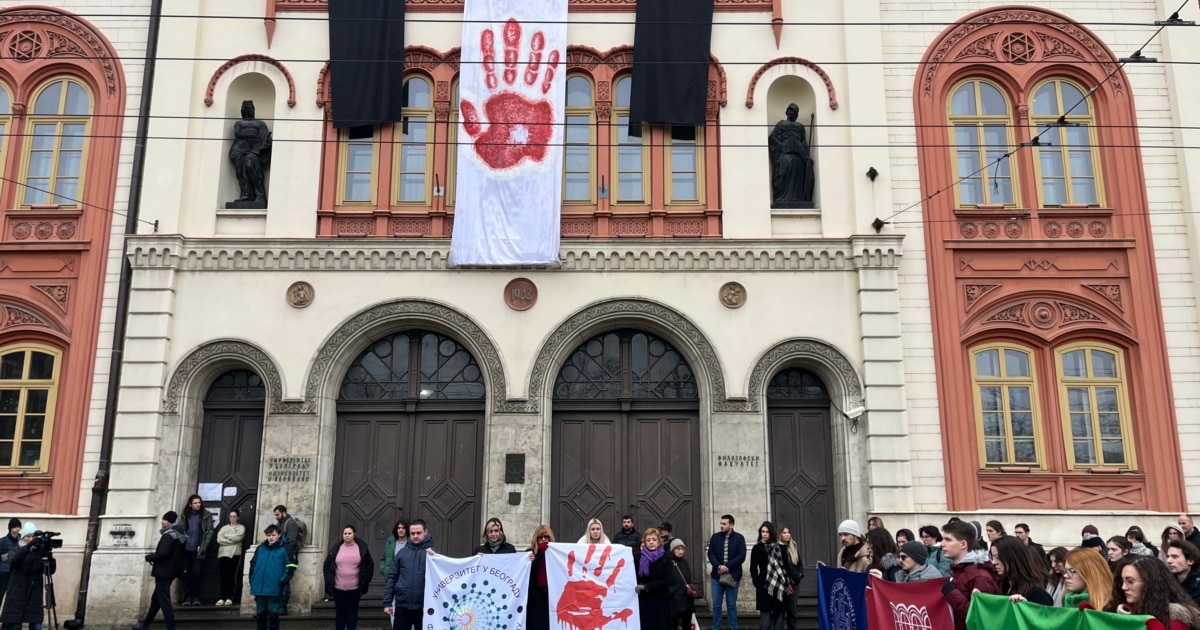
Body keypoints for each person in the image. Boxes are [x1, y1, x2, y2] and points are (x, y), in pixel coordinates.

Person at [1106, 556, 1200, 629]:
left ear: (1150, 584)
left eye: (1130, 582)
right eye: (1122, 581)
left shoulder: (1175, 624)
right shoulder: (1121, 612)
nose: (1123, 587)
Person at [940, 520, 999, 630]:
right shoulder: (959, 571)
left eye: (948, 540)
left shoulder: (980, 577)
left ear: (963, 544)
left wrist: (952, 593)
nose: (942, 544)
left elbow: (979, 617)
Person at [134, 512, 187, 630]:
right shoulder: (179, 535)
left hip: (163, 571)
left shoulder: (168, 535)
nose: (162, 521)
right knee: (156, 600)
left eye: (163, 519)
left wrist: (150, 557)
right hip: (171, 571)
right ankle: (145, 625)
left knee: (164, 601)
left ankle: (171, 627)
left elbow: (162, 553)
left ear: (168, 521)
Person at [383, 519, 435, 630]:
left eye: (419, 533)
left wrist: (479, 560)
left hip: (425, 607)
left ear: (425, 532)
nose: (415, 536)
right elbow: (392, 577)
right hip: (402, 606)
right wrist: (388, 602)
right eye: (412, 533)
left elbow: (447, 570)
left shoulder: (433, 554)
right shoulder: (402, 553)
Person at [323, 525, 373, 630]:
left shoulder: (361, 548)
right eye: (345, 534)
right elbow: (327, 565)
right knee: (340, 614)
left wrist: (365, 580)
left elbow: (369, 565)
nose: (347, 536)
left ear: (354, 534)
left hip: (355, 589)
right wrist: (329, 580)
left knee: (352, 613)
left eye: (349, 533)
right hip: (338, 588)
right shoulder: (336, 547)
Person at [767, 103, 815, 206]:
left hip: (798, 156)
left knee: (797, 177)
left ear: (796, 114)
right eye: (789, 110)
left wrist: (806, 156)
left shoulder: (800, 127)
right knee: (783, 174)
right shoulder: (781, 124)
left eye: (792, 111)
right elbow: (772, 137)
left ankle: (797, 199)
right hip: (785, 155)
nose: (790, 112)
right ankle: (782, 198)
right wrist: (782, 145)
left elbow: (803, 142)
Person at [249, 525, 296, 630]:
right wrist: (252, 580)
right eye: (269, 535)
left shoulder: (285, 548)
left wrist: (283, 580)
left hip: (275, 588)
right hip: (259, 588)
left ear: (279, 535)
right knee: (261, 617)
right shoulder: (260, 548)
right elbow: (253, 565)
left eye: (273, 535)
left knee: (273, 617)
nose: (271, 537)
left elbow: (291, 565)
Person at [229, 100, 272, 204]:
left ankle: (260, 196)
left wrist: (249, 134)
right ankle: (245, 195)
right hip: (239, 151)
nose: (250, 111)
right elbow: (238, 134)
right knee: (241, 173)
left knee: (251, 166)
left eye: (252, 109)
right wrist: (253, 134)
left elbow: (264, 137)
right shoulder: (239, 123)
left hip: (254, 151)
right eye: (248, 109)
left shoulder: (260, 123)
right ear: (243, 111)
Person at [707, 514, 746, 630]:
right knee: (716, 605)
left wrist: (727, 566)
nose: (721, 526)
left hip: (733, 576)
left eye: (724, 524)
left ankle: (733, 628)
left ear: (731, 525)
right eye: (721, 523)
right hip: (717, 577)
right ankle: (716, 628)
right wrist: (718, 566)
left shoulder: (739, 538)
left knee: (731, 606)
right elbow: (711, 553)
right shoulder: (715, 537)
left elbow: (741, 556)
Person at [750, 522, 790, 630]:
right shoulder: (757, 548)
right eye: (763, 532)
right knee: (766, 623)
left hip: (780, 586)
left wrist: (788, 582)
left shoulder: (781, 548)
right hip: (764, 586)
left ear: (771, 533)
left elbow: (786, 567)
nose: (765, 534)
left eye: (767, 532)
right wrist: (757, 582)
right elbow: (753, 568)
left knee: (779, 622)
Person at [992, 536, 1053, 605]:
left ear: (1012, 557)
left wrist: (1025, 607)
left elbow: (1047, 615)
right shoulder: (1004, 586)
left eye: (998, 557)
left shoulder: (1037, 594)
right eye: (992, 557)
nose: (993, 562)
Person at [180, 495, 214, 606]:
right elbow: (181, 529)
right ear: (190, 504)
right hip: (185, 548)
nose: (198, 504)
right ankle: (187, 597)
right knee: (185, 573)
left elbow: (209, 531)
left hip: (198, 549)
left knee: (197, 573)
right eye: (195, 503)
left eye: (199, 502)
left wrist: (205, 544)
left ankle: (195, 597)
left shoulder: (206, 515)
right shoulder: (185, 515)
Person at [636, 528, 673, 630]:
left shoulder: (665, 558)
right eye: (648, 540)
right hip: (644, 601)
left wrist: (646, 586)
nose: (651, 542)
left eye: (654, 539)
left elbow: (667, 580)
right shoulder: (639, 557)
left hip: (661, 601)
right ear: (644, 542)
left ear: (659, 541)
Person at [1061, 546, 1113, 611]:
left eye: (1072, 571)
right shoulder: (1067, 599)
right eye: (1065, 571)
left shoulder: (1111, 608)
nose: (1065, 575)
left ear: (1091, 573)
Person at [526, 525, 555, 630]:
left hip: (550, 595)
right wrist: (538, 556)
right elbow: (528, 575)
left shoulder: (555, 553)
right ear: (536, 539)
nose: (543, 540)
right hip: (534, 596)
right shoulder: (530, 553)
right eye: (540, 537)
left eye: (546, 537)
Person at [216, 509, 246, 606]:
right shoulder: (223, 528)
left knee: (232, 575)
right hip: (223, 554)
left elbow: (238, 538)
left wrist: (227, 537)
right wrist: (232, 539)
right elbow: (219, 539)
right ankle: (222, 597)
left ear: (238, 517)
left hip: (235, 554)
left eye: (234, 516)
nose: (232, 518)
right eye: (230, 516)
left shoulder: (241, 528)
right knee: (223, 575)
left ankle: (230, 597)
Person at [778, 526, 804, 630]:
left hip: (795, 584)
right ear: (780, 534)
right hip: (782, 584)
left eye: (788, 532)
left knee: (792, 611)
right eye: (784, 533)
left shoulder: (793, 546)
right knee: (780, 611)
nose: (787, 534)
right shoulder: (777, 548)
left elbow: (799, 564)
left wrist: (800, 574)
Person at [667, 539, 696, 630]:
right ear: (672, 550)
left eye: (682, 549)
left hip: (686, 600)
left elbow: (688, 579)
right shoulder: (668, 562)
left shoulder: (685, 562)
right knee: (673, 624)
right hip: (674, 600)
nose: (681, 551)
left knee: (686, 624)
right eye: (678, 549)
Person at [1165, 540, 1200, 606]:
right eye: (1168, 556)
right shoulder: (1167, 581)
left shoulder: (1197, 585)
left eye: (1175, 557)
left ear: (1190, 561)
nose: (1168, 561)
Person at [0, 519, 20, 605]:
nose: (17, 529)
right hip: (4, 573)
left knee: (13, 599)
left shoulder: (21, 540)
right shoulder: (3, 541)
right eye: (15, 527)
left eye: (18, 527)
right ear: (10, 528)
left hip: (16, 573)